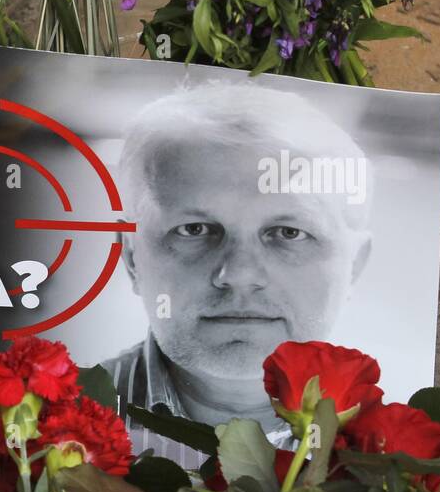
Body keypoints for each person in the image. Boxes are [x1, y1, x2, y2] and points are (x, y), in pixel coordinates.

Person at [100, 82, 374, 462]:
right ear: (130, 256)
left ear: (354, 266)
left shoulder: (402, 457)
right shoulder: (39, 427)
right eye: (194, 229)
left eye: (288, 233)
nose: (239, 274)